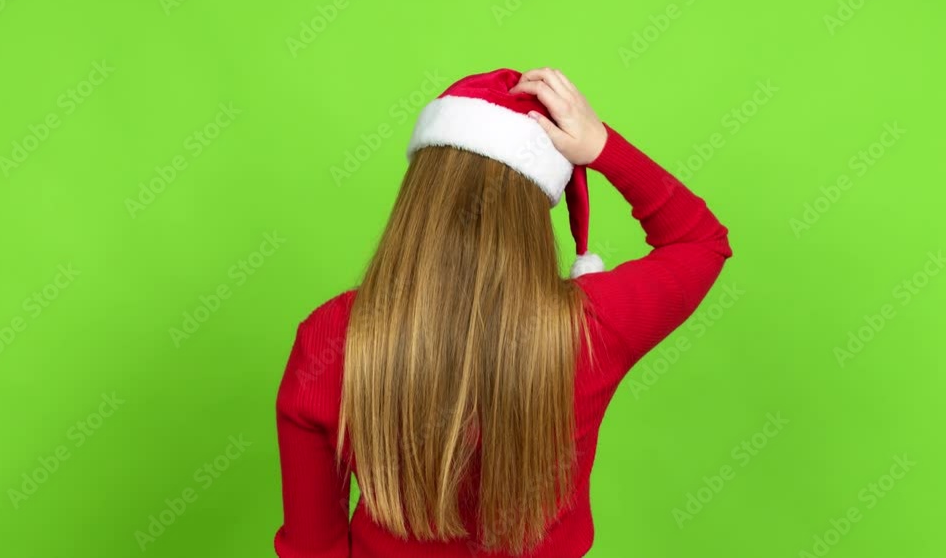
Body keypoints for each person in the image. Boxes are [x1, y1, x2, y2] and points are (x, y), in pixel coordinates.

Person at [274, 67, 733, 557]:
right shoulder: (591, 327)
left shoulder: (332, 336)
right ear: (535, 209)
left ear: (417, 196)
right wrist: (601, 145)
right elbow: (700, 241)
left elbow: (311, 548)